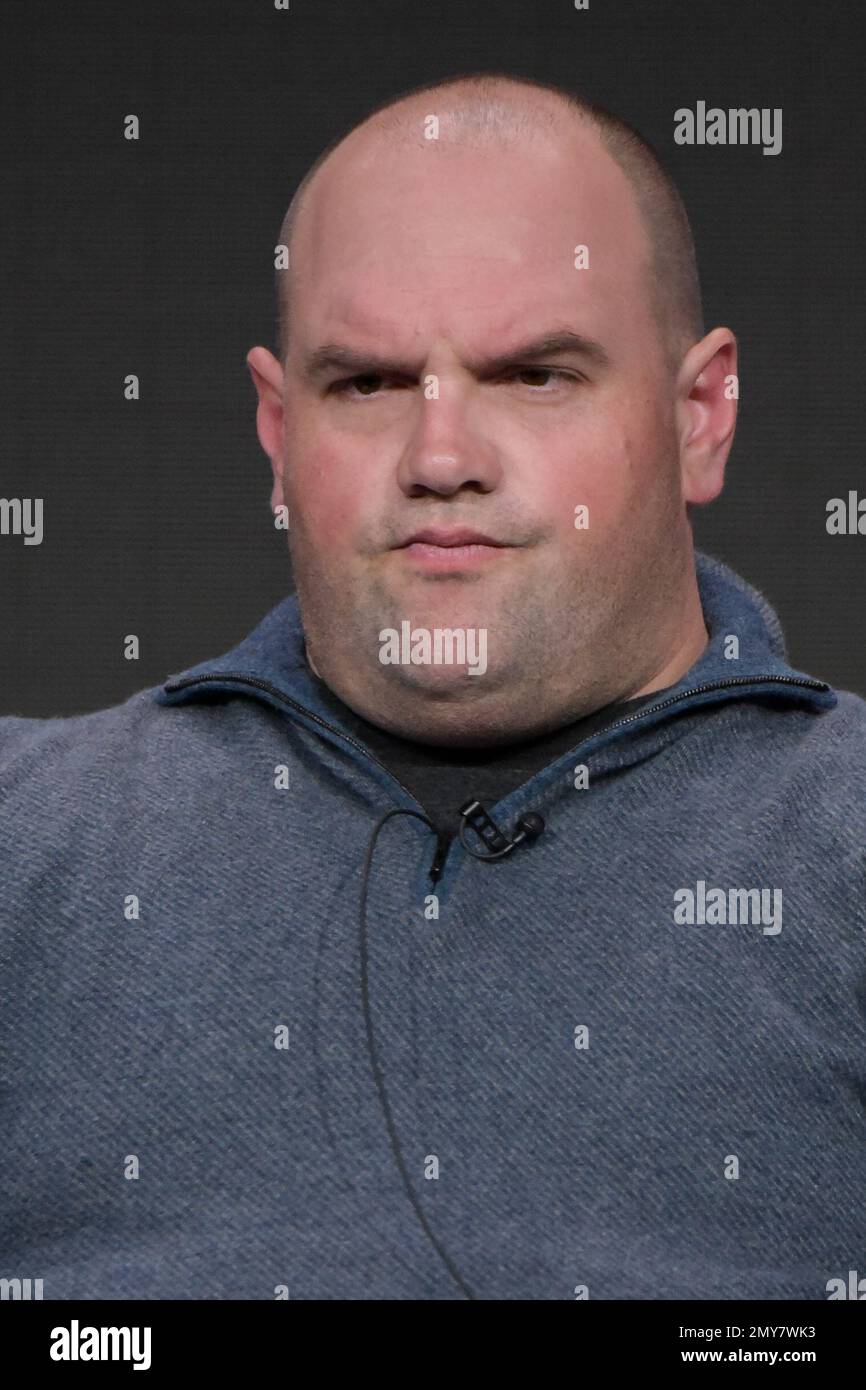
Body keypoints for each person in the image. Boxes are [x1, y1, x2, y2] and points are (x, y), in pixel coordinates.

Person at [2, 72, 865, 1302]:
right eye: (366, 383)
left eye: (533, 374)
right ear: (275, 430)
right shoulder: (22, 837)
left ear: (699, 414)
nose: (441, 458)